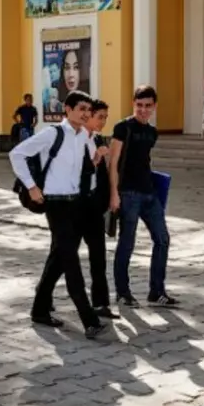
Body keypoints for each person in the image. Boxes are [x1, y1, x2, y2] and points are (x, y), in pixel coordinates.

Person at [9, 91, 106, 339]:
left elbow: (87, 164)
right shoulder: (54, 133)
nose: (86, 113)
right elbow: (17, 154)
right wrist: (31, 186)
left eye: (88, 109)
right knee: (71, 261)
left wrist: (96, 158)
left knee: (59, 259)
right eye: (81, 108)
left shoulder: (83, 135)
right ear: (68, 109)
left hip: (76, 204)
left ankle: (39, 309)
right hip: (55, 204)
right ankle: (89, 319)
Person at [110, 85, 176, 308]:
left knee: (163, 239)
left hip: (150, 194)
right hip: (127, 194)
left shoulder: (152, 132)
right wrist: (114, 194)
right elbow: (113, 163)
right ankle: (122, 291)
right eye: (139, 105)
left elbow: (145, 160)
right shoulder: (122, 128)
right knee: (127, 243)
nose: (143, 110)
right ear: (133, 104)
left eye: (148, 106)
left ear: (155, 106)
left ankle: (156, 291)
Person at [79, 98, 116, 319]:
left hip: (94, 206)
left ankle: (101, 303)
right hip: (76, 204)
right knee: (61, 256)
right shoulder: (76, 139)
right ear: (88, 116)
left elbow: (102, 174)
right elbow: (76, 170)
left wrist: (110, 197)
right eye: (99, 117)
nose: (102, 122)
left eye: (105, 118)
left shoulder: (99, 139)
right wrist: (96, 158)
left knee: (98, 256)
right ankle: (44, 295)